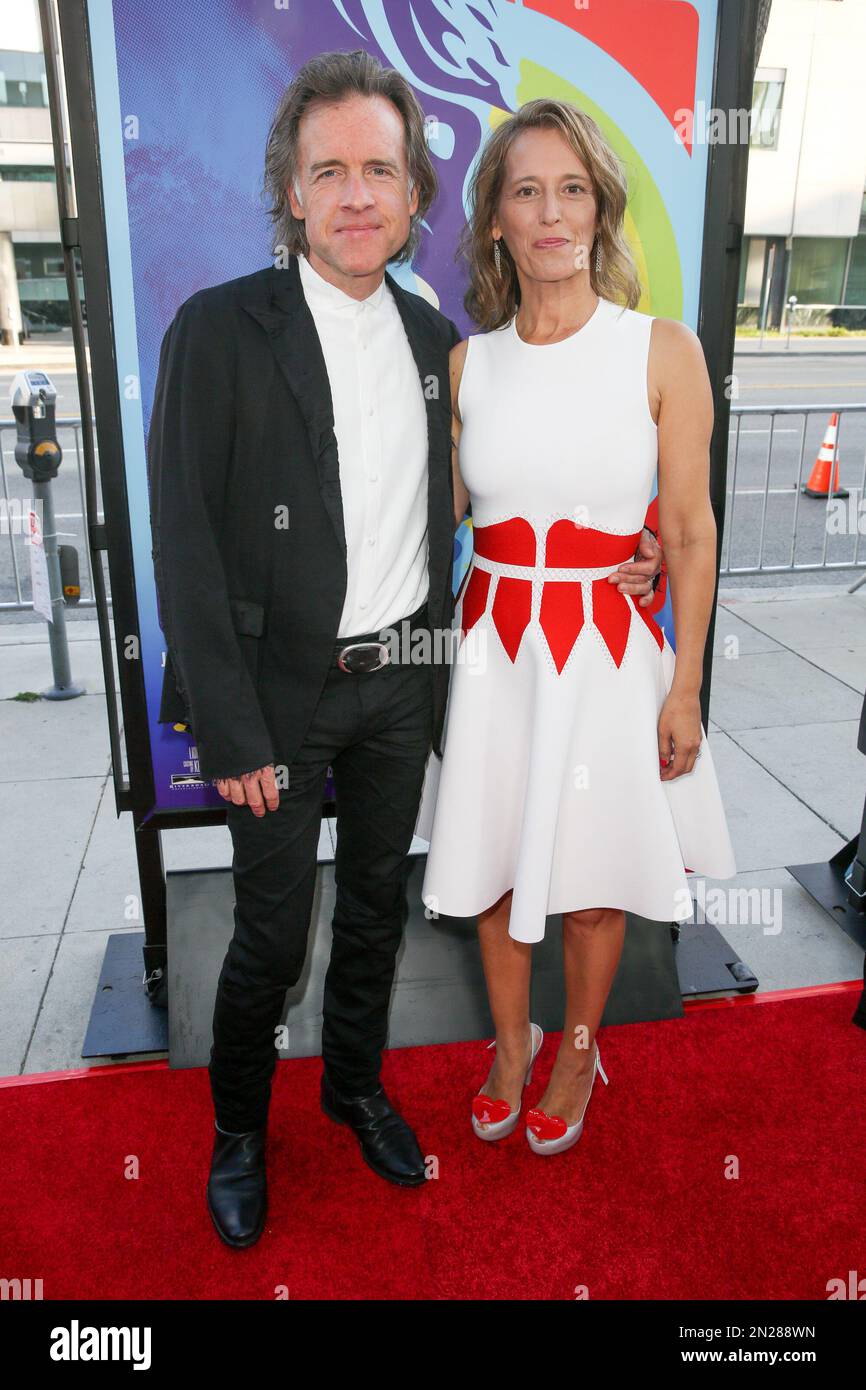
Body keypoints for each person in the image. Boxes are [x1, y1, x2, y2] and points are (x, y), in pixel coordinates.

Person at [147, 55, 662, 1248]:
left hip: (403, 687)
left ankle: (354, 1087)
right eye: (328, 170)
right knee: (272, 936)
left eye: (379, 168)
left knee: (378, 907)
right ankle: (237, 1131)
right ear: (290, 191)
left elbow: (527, 482)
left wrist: (634, 553)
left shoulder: (443, 342)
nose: (356, 193)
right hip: (274, 701)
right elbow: (184, 545)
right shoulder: (217, 328)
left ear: (414, 191)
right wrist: (226, 728)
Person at [416, 98, 737, 1157]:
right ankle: (512, 1043)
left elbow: (687, 532)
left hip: (605, 658)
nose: (549, 212)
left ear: (599, 207)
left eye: (570, 188)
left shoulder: (661, 350)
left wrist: (685, 685)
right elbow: (428, 523)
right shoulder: (468, 366)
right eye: (524, 190)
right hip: (494, 656)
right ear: (494, 220)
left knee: (591, 876)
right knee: (497, 863)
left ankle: (578, 1047)